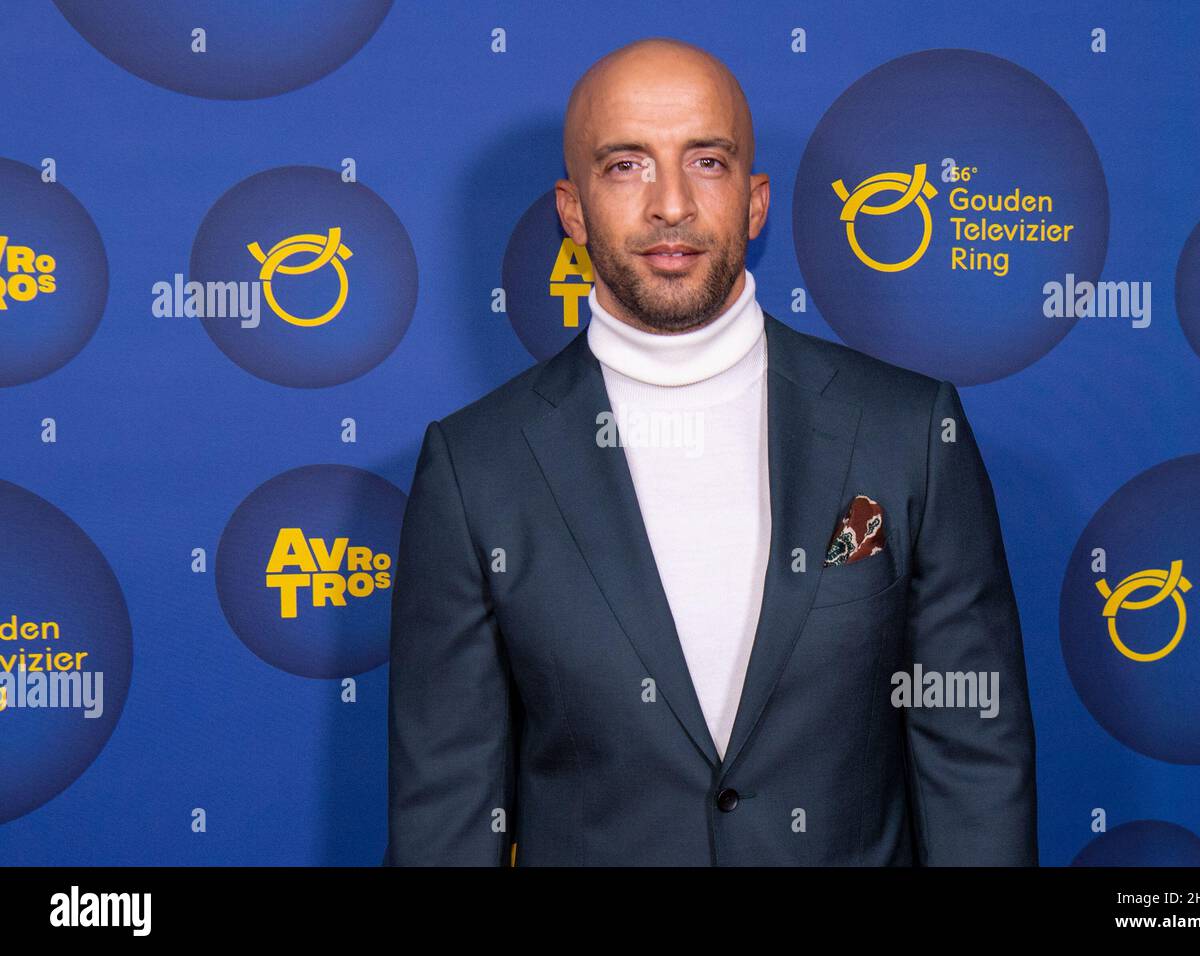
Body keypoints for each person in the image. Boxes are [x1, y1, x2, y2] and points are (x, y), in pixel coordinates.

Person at [385, 37, 1037, 866]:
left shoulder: (911, 432)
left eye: (707, 162)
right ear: (573, 210)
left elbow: (975, 766)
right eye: (626, 165)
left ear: (755, 203)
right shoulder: (474, 469)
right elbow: (446, 815)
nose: (670, 205)